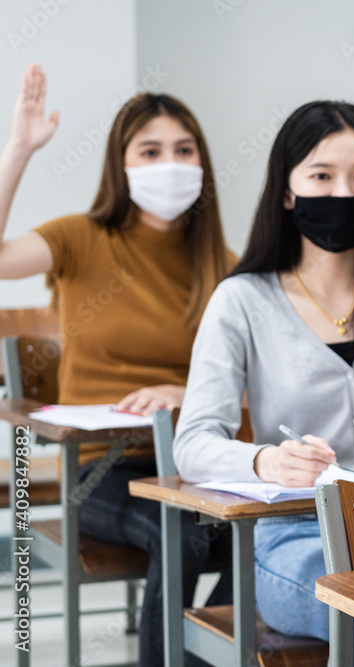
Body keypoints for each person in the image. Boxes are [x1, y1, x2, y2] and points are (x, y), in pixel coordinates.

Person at [172, 100, 354, 666]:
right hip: (297, 541)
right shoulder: (241, 301)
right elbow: (191, 444)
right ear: (287, 192)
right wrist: (265, 462)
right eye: (321, 175)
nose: (342, 192)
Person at [0, 64, 235, 665]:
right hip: (102, 470)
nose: (169, 163)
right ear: (121, 163)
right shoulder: (80, 237)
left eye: (184, 150)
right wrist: (19, 149)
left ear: (202, 163)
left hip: (196, 465)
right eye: (150, 150)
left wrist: (184, 389)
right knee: (182, 531)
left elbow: (255, 376)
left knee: (263, 533)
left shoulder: (224, 264)